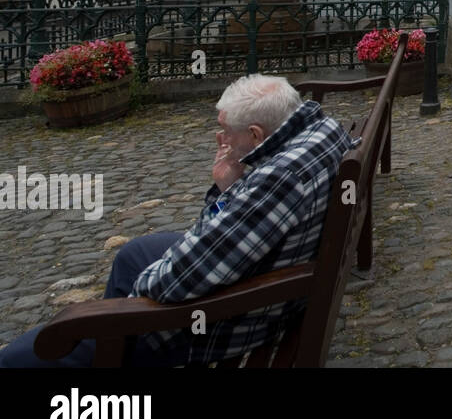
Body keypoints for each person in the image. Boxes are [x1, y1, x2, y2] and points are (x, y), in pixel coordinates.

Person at [0, 74, 354, 367]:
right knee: (132, 253)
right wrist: (227, 187)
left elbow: (180, 281)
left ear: (257, 134)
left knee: (23, 355)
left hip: (225, 321)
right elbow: (233, 228)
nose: (222, 141)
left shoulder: (278, 178)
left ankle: (117, 352)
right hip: (267, 268)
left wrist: (132, 302)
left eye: (227, 132)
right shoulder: (317, 127)